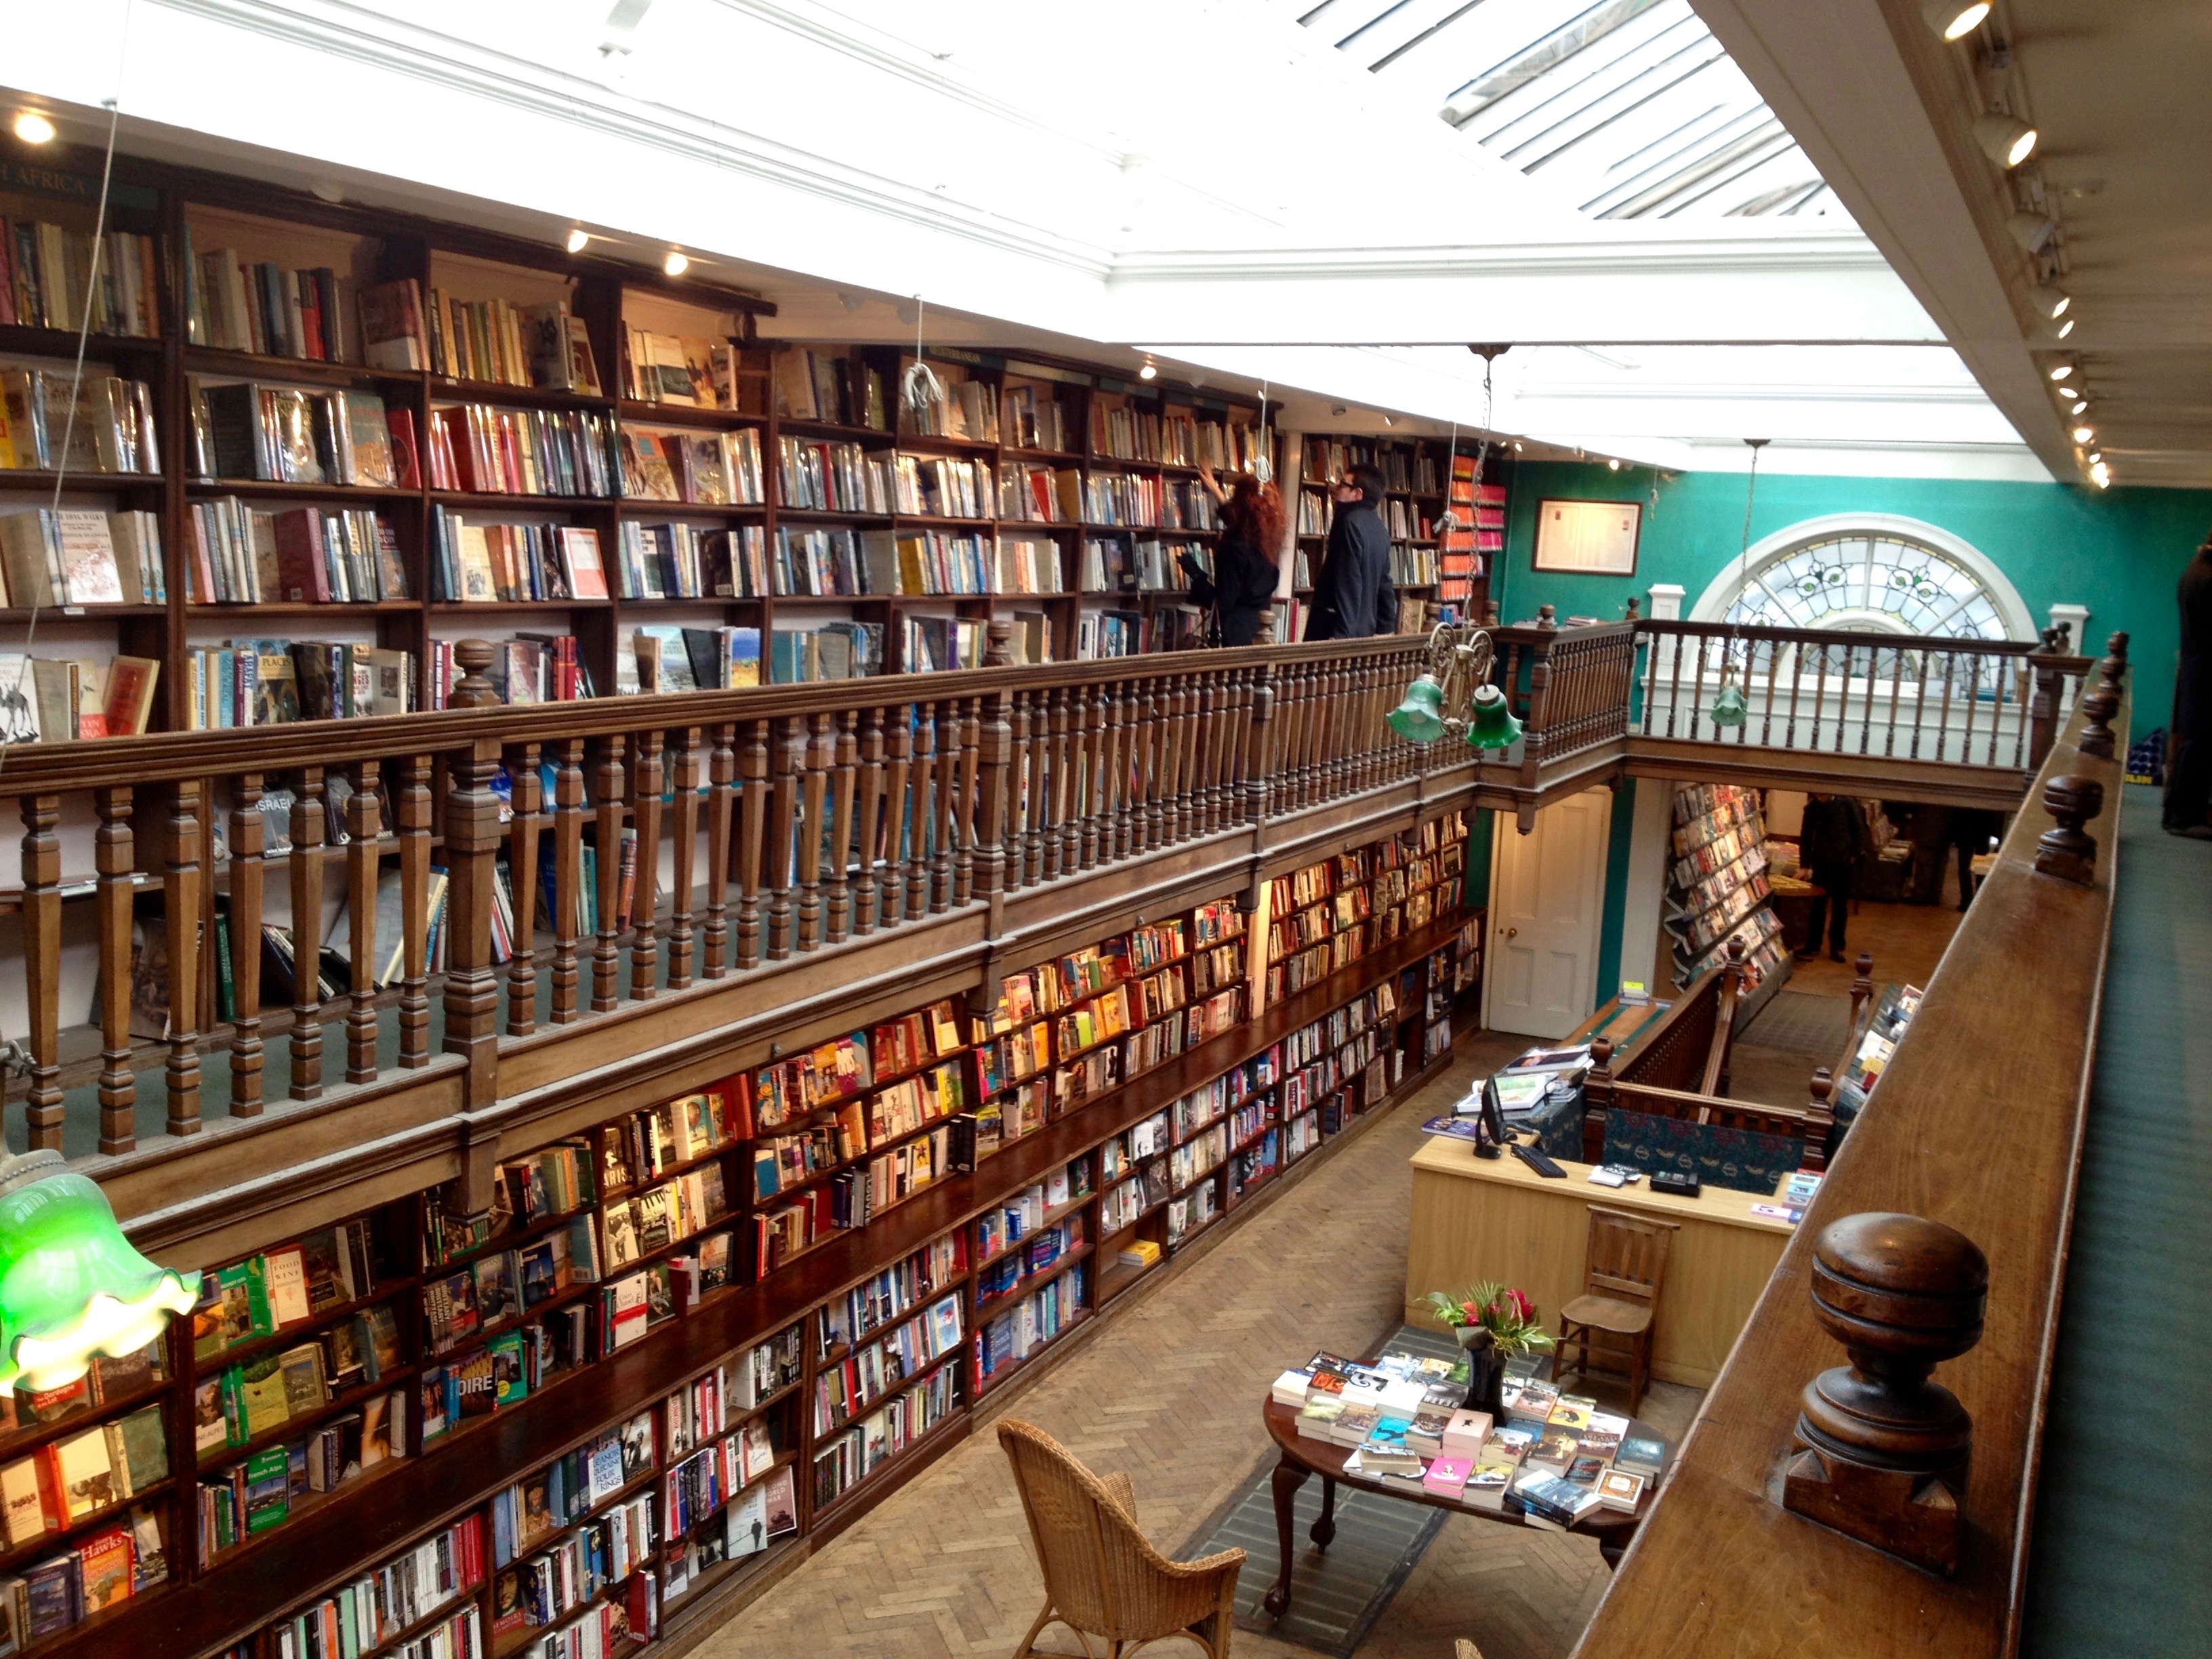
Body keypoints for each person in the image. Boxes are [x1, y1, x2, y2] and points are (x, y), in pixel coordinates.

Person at [1183, 465, 1282, 646]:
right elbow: (1238, 521)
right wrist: (1214, 489)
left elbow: (1222, 604)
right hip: (1260, 632)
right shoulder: (1268, 542)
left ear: (1240, 506)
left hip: (1233, 637)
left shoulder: (1235, 548)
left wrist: (1197, 576)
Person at [1304, 462, 1397, 640]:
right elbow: (1385, 583)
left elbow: (1348, 581)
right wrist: (1386, 627)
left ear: (1357, 494)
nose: (1335, 490)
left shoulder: (1349, 523)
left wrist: (1341, 637)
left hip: (1334, 626)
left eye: (1342, 485)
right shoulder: (1379, 528)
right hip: (1364, 629)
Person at [2165, 534, 2212, 838]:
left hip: (2198, 669)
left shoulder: (2197, 571)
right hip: (2206, 671)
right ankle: (2184, 818)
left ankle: (2180, 814)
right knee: (2199, 745)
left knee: (2196, 744)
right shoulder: (2207, 578)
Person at [1797, 793, 1869, 962]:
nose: (1821, 797)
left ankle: (1837, 946)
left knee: (1840, 907)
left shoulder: (1847, 805)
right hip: (1821, 863)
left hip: (1843, 863)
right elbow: (1806, 837)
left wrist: (1853, 856)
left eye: (1823, 794)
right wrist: (1805, 865)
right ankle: (1813, 945)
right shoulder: (1812, 809)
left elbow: (1858, 831)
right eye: (1818, 794)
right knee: (1818, 906)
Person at [1947, 808, 2001, 909]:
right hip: (1983, 829)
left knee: (1964, 867)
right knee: (1982, 867)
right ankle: (1981, 899)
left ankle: (1966, 901)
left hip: (1965, 828)